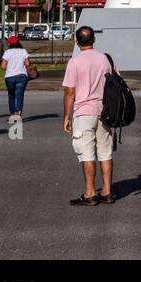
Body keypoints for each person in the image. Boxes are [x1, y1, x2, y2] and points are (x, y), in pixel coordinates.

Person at [62, 25, 114, 206]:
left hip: (84, 113)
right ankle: (107, 191)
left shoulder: (74, 62)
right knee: (105, 152)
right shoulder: (105, 60)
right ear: (94, 40)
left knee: (87, 154)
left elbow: (70, 92)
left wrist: (67, 117)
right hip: (104, 112)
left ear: (77, 42)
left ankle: (90, 193)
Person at [1, 34, 30, 130]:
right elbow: (27, 63)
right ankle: (19, 114)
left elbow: (3, 66)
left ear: (9, 44)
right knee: (20, 95)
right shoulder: (23, 51)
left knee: (11, 95)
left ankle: (12, 115)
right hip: (22, 76)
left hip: (10, 77)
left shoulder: (7, 52)